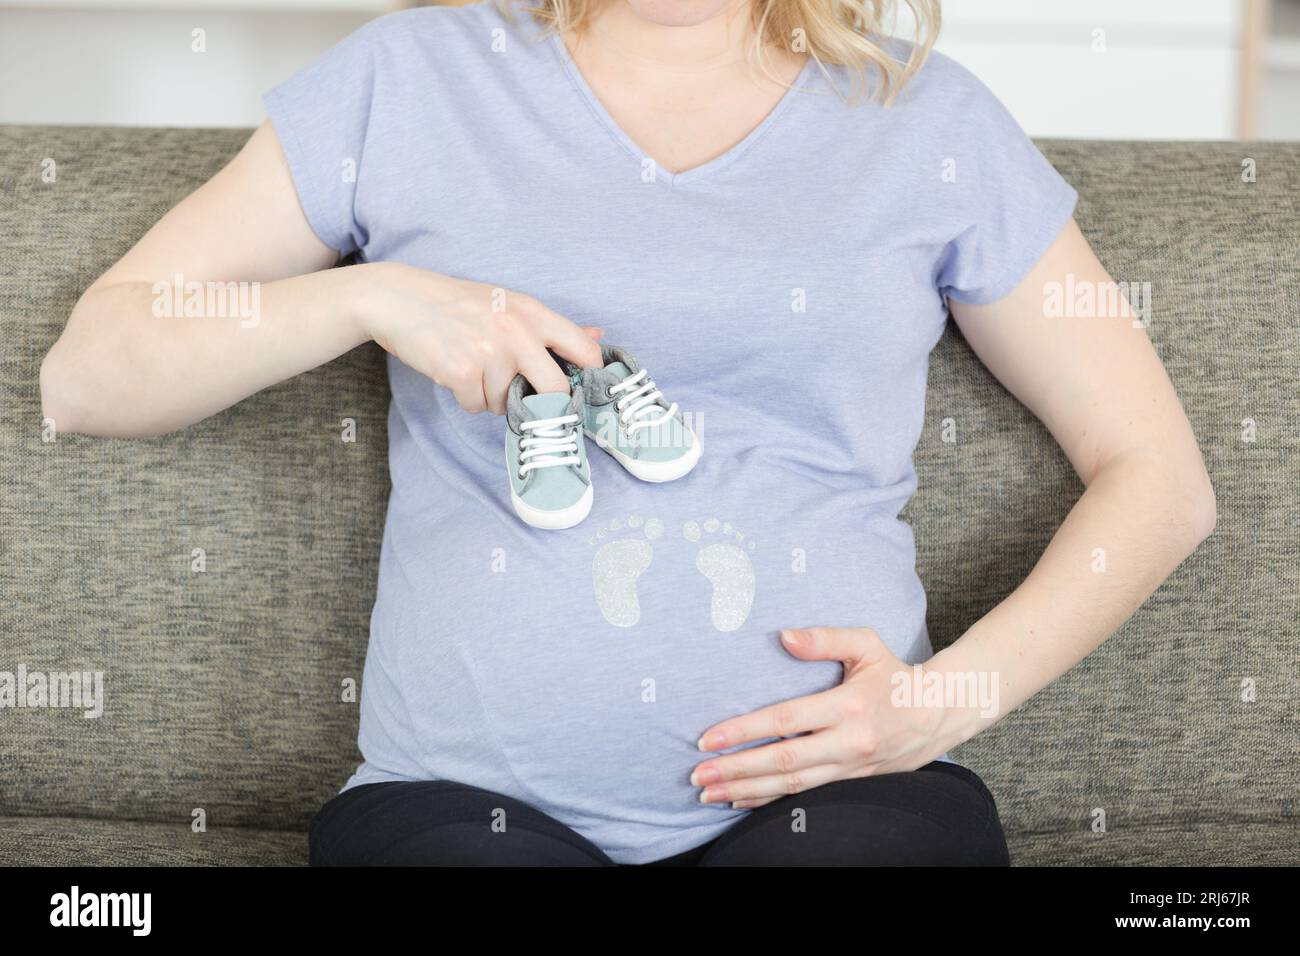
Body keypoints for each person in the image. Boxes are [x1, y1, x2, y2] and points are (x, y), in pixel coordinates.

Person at [39, 0, 1216, 866]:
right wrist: (371, 295)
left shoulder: (925, 119)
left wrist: (949, 696)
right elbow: (88, 376)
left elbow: (1157, 476)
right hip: (460, 804)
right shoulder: (405, 79)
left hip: (836, 805)